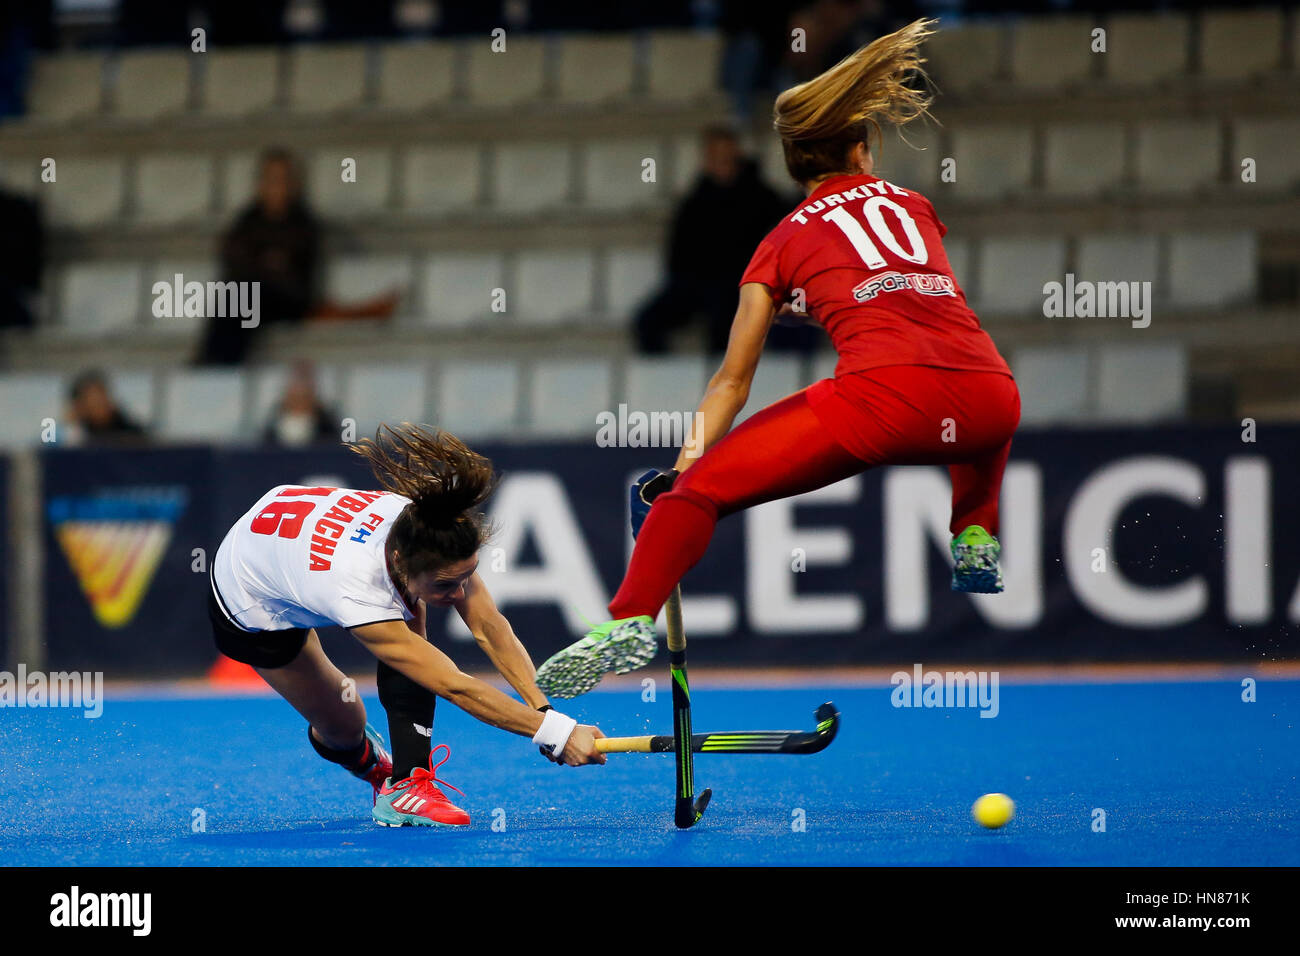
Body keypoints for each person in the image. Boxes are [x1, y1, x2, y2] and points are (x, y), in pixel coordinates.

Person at [536, 19, 1021, 699]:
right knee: (973, 388)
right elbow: (900, 291)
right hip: (994, 400)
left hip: (884, 403)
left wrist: (682, 468)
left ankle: (627, 620)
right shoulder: (916, 207)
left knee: (701, 493)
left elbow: (732, 382)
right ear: (862, 149)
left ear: (794, 165)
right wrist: (822, 297)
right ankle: (974, 531)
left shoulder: (779, 242)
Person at [209, 423, 606, 827]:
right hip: (249, 600)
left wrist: (544, 710)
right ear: (399, 562)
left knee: (412, 615)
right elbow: (452, 683)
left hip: (289, 545)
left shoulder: (425, 528)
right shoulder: (356, 586)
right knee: (345, 728)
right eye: (445, 585)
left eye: (465, 578)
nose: (458, 594)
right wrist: (555, 733)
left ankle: (407, 782)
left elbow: (489, 626)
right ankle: (390, 776)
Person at [633, 125, 799, 354]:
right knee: (646, 321)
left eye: (725, 153)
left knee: (723, 319)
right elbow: (678, 251)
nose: (720, 160)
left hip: (741, 282)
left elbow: (785, 223)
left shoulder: (759, 194)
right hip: (694, 283)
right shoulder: (695, 199)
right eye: (714, 154)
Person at [197, 148, 320, 366]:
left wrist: (259, 264)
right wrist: (269, 264)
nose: (277, 187)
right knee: (232, 299)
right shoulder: (248, 219)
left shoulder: (304, 223)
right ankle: (212, 363)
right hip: (251, 295)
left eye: (283, 180)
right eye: (272, 179)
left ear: (293, 184)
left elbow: (296, 276)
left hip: (288, 301)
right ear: (261, 184)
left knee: (241, 299)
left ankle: (220, 365)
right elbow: (233, 259)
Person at [262, 360, 338, 447]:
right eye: (297, 381)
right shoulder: (274, 418)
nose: (301, 389)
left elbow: (334, 448)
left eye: (305, 381)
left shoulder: (327, 421)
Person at [64, 370, 147, 445]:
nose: (102, 404)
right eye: (93, 401)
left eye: (103, 396)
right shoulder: (76, 437)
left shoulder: (133, 435)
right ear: (79, 407)